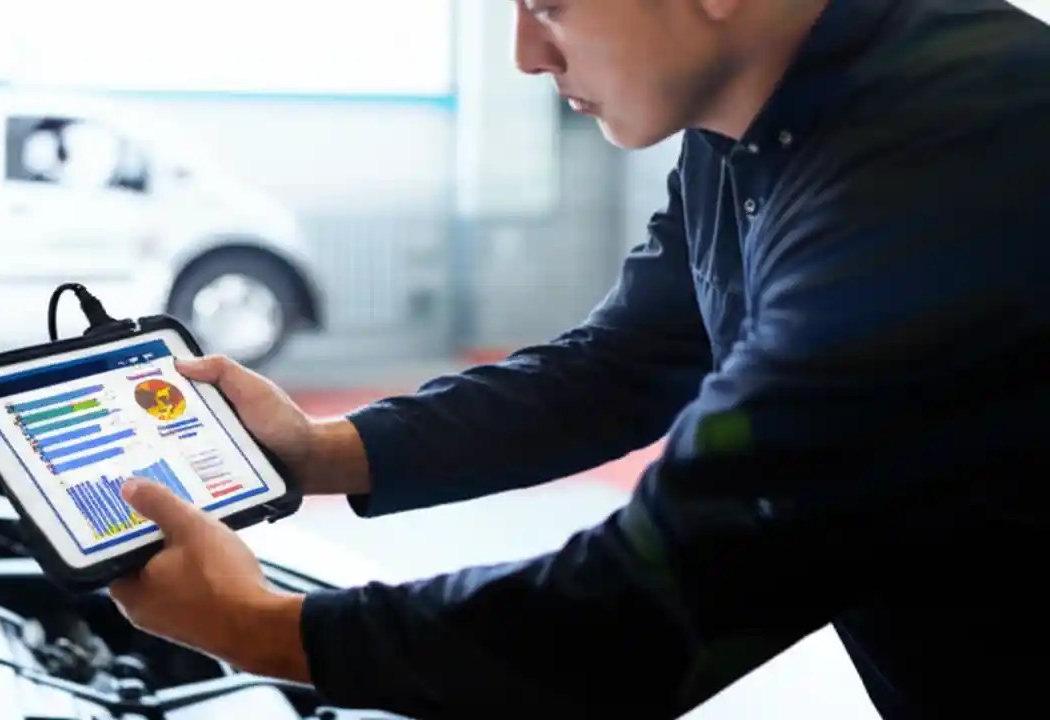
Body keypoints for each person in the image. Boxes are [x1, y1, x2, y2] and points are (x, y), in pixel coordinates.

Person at [108, 0, 1050, 716]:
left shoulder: (959, 149)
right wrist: (326, 451)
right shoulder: (748, 133)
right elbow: (624, 363)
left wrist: (267, 631)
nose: (526, 53)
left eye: (551, 3)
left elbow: (678, 592)